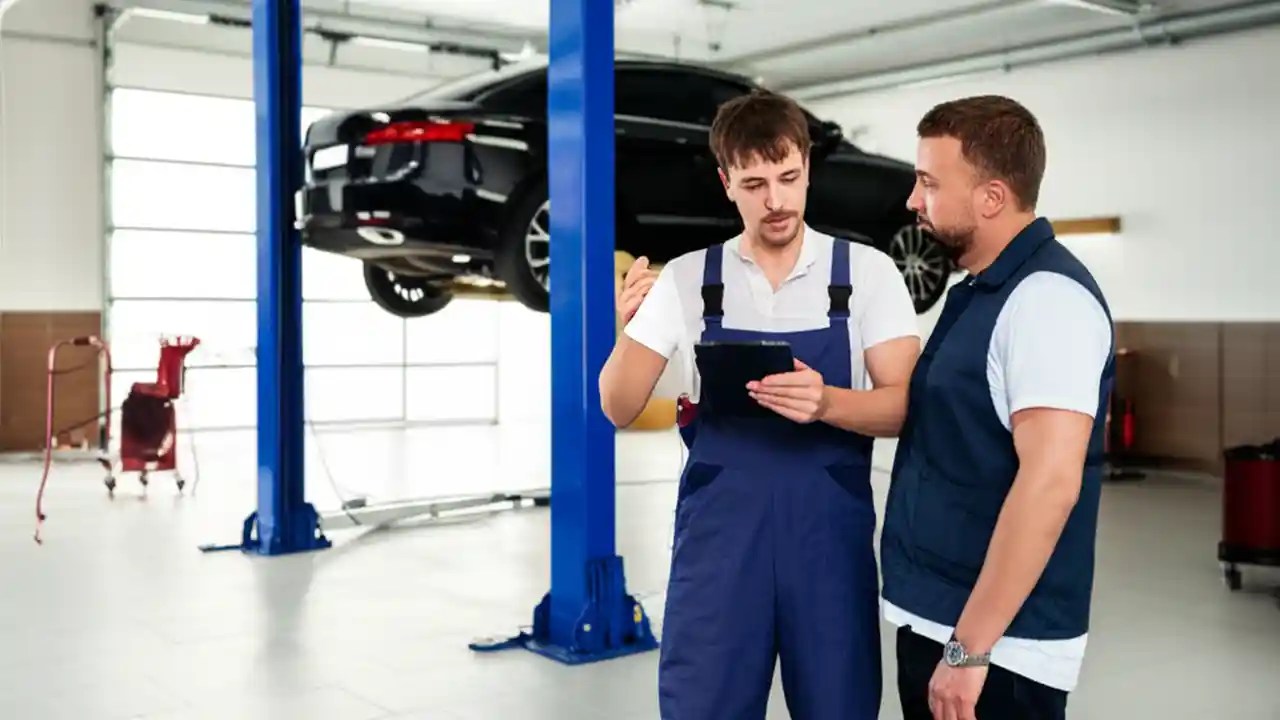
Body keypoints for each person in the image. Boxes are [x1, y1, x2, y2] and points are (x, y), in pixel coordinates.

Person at [598, 89, 921, 719]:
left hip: (826, 540)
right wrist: (627, 329)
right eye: (754, 183)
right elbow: (618, 405)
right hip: (720, 542)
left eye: (789, 177)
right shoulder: (688, 280)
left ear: (806, 167)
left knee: (838, 705)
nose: (775, 200)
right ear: (726, 183)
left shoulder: (867, 274)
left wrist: (827, 402)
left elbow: (906, 407)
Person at [879, 94, 1116, 720]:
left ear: (990, 197)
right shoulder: (984, 291)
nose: (912, 200)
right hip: (949, 620)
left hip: (996, 654)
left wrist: (967, 653)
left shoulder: (1046, 301)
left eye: (929, 182)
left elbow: (1049, 486)